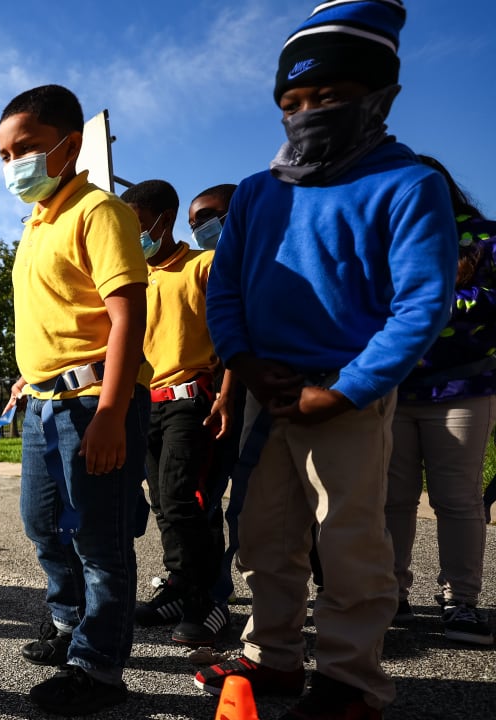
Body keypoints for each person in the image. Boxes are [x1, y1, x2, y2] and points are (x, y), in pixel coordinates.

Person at [198, 3, 459, 717]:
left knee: (348, 542)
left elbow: (421, 305)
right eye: (292, 102)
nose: (308, 113)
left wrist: (345, 391)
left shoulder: (408, 184)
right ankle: (272, 657)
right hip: (264, 391)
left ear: (381, 97)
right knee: (264, 538)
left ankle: (350, 678)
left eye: (330, 97)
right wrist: (245, 363)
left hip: (343, 397)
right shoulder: (257, 193)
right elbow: (225, 291)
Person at [0, 83, 150, 715]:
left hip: (94, 402)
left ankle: (99, 665)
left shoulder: (99, 212)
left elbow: (127, 316)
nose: (13, 165)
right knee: (41, 523)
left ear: (71, 143)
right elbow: (52, 318)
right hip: (43, 403)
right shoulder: (37, 223)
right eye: (4, 155)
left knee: (100, 537)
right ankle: (67, 622)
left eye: (25, 148)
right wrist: (26, 381)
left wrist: (112, 410)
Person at [384, 155, 496, 646]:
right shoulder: (383, 237)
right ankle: (390, 594)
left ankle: (461, 601)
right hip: (392, 387)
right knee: (390, 500)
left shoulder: (485, 237)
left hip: (463, 388)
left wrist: (443, 301)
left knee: (457, 499)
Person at [120, 179, 232, 648]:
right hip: (148, 404)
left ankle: (208, 602)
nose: (131, 239)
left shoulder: (204, 265)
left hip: (193, 399)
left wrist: (225, 394)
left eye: (138, 228)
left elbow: (231, 335)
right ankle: (179, 585)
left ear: (163, 223)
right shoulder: (134, 279)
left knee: (187, 500)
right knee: (163, 504)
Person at [186, 184, 248, 611]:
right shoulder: (208, 269)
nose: (200, 229)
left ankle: (329, 588)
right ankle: (210, 593)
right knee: (205, 501)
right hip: (214, 404)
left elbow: (240, 340)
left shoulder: (254, 264)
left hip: (253, 400)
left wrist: (228, 391)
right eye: (193, 223)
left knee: (258, 507)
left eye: (209, 217)